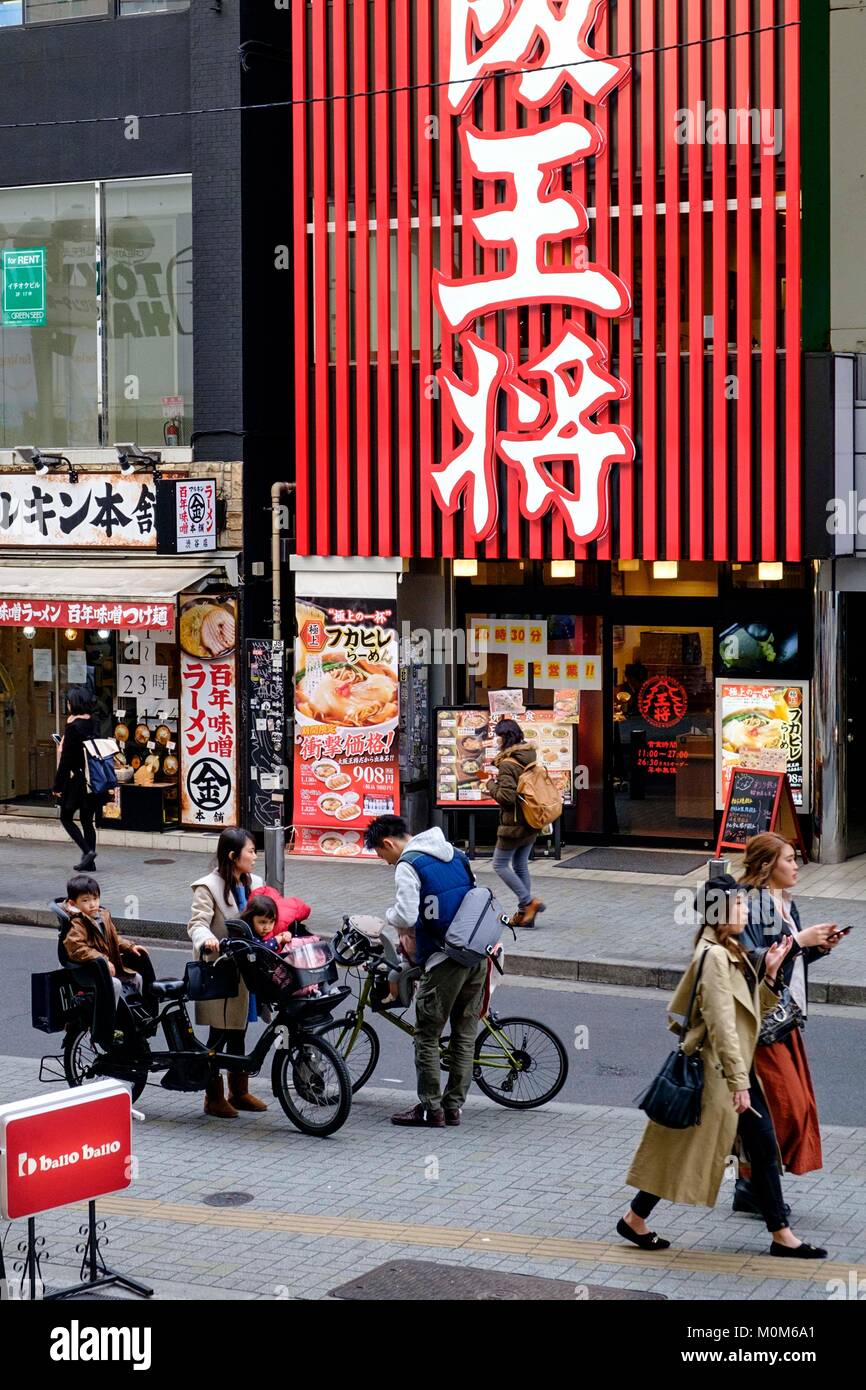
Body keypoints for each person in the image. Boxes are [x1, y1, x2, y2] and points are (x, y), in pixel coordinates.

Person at [620, 876, 829, 1260]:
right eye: (738, 906)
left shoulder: (730, 947)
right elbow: (721, 1024)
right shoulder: (715, 956)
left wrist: (769, 975)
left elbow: (749, 1010)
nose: (746, 910)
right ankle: (781, 1234)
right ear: (720, 913)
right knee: (733, 1145)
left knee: (749, 1145)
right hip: (722, 1074)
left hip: (732, 1072)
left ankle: (637, 1217)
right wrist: (739, 1082)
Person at [733, 833, 844, 1210]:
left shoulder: (785, 904)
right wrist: (799, 941)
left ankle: (752, 1186)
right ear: (767, 866)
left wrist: (815, 948)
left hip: (786, 1017)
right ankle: (750, 1184)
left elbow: (789, 961)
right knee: (788, 1108)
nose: (796, 866)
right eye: (789, 859)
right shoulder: (752, 903)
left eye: (796, 859)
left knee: (790, 1108)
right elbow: (751, 961)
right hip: (762, 1021)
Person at [364, 814, 482, 1128]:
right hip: (477, 955)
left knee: (427, 1035)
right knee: (464, 1035)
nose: (386, 862)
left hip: (444, 959)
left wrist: (389, 916)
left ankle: (432, 1109)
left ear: (388, 843)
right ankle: (453, 1107)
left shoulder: (409, 864)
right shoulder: (455, 853)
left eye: (381, 854)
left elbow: (404, 912)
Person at [187, 827, 268, 1119]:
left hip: (248, 969)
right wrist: (206, 940)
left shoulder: (254, 883)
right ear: (234, 856)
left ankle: (239, 1091)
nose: (254, 857)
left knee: (240, 1031)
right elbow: (196, 924)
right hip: (220, 971)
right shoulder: (207, 887)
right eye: (250, 851)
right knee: (219, 1034)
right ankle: (213, 1096)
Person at [62, 873, 149, 1049]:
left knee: (137, 978)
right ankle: (109, 1026)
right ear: (73, 904)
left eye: (95, 898)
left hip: (102, 967)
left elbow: (114, 939)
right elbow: (76, 948)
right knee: (114, 985)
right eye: (86, 900)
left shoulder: (103, 916)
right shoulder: (77, 923)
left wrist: (130, 947)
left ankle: (134, 1020)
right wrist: (101, 959)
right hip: (86, 971)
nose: (92, 904)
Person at [483, 717, 545, 928]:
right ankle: (523, 915)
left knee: (500, 864)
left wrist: (490, 785)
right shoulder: (529, 756)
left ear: (504, 738)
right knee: (519, 864)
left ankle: (529, 903)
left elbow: (506, 798)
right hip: (531, 819)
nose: (495, 740)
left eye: (497, 736)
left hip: (514, 823)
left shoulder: (508, 763)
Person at [52, 686, 102, 870]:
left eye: (68, 701)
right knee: (88, 820)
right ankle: (90, 863)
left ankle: (87, 852)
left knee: (66, 817)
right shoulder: (94, 723)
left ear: (74, 703)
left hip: (78, 780)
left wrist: (57, 785)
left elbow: (66, 760)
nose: (67, 704)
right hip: (94, 779)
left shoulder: (73, 727)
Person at [238, 894, 321, 998]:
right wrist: (278, 939)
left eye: (271, 922)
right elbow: (262, 949)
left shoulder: (264, 932)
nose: (267, 927)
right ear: (251, 919)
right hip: (262, 980)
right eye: (262, 922)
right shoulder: (249, 935)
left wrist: (286, 936)